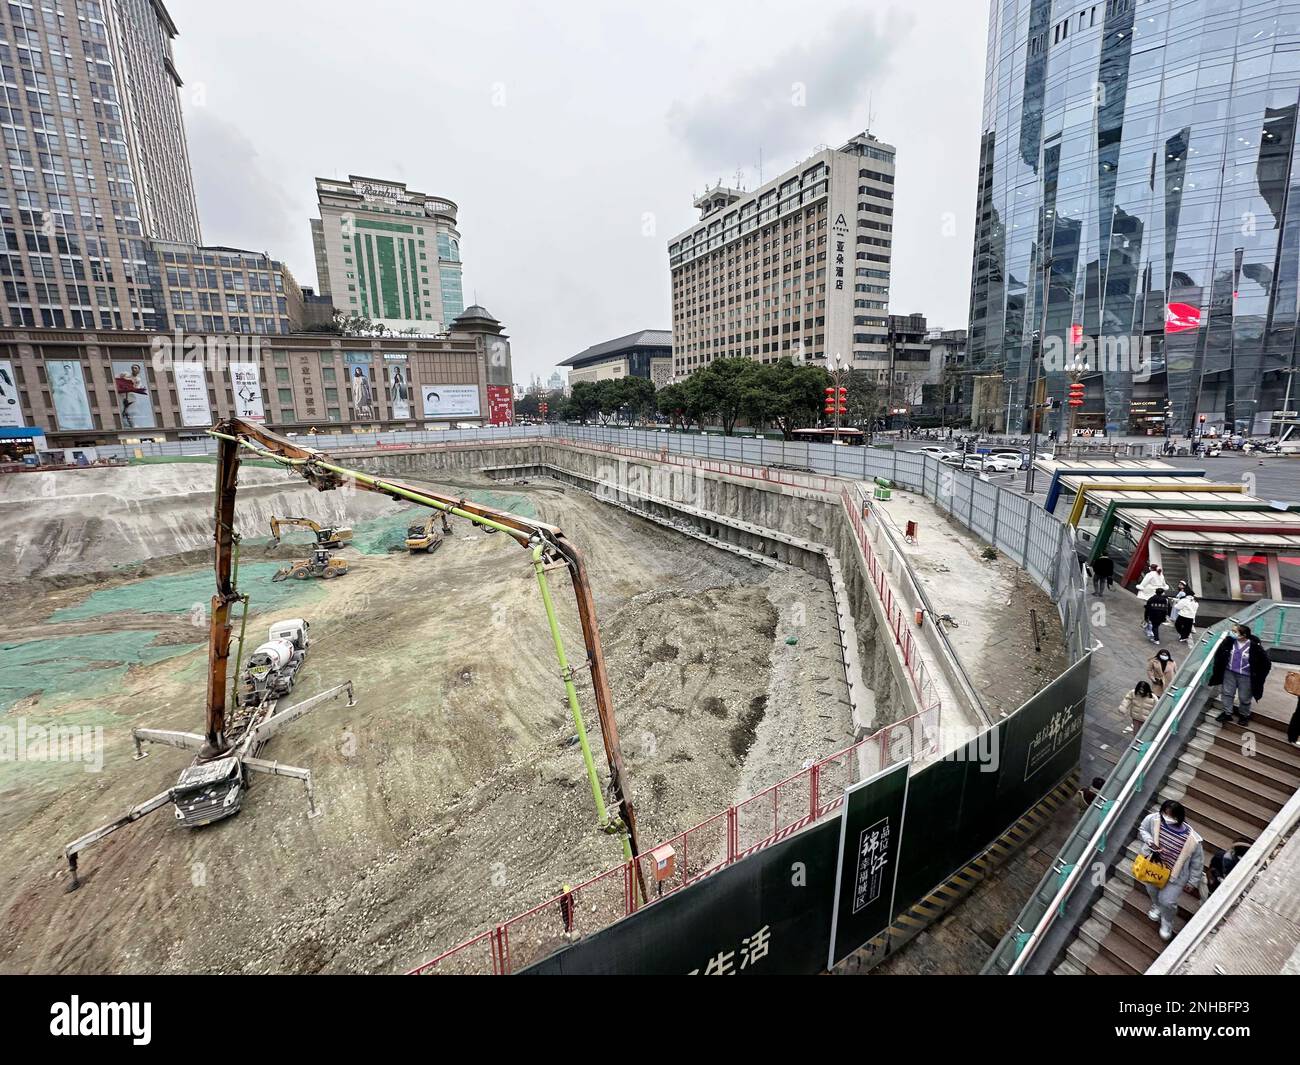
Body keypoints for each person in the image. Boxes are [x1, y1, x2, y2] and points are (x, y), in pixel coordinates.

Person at [1138, 799, 1204, 942]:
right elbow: (1143, 829)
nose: (1167, 818)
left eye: (1171, 816)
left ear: (1179, 817)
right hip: (1155, 867)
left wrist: (1193, 881)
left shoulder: (1192, 838)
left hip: (1176, 875)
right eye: (1165, 814)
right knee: (1152, 891)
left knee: (1167, 901)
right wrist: (1150, 842)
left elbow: (1197, 862)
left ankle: (1167, 922)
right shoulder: (1154, 819)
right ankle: (1157, 906)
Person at [1211, 623, 1272, 725]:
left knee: (1244, 697)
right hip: (1229, 672)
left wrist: (1259, 676)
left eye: (1235, 632)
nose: (1232, 633)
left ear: (1243, 635)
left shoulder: (1254, 646)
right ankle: (1227, 713)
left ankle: (1244, 715)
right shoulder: (1229, 642)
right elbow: (1219, 654)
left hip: (1246, 676)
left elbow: (1265, 663)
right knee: (1227, 693)